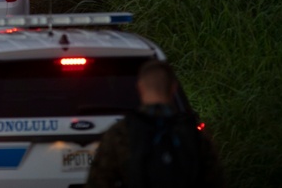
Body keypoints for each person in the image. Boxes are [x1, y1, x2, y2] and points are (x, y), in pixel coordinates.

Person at [86, 60, 226, 188]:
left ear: (140, 88)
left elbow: (98, 181)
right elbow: (215, 180)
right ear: (174, 88)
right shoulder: (195, 134)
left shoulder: (121, 133)